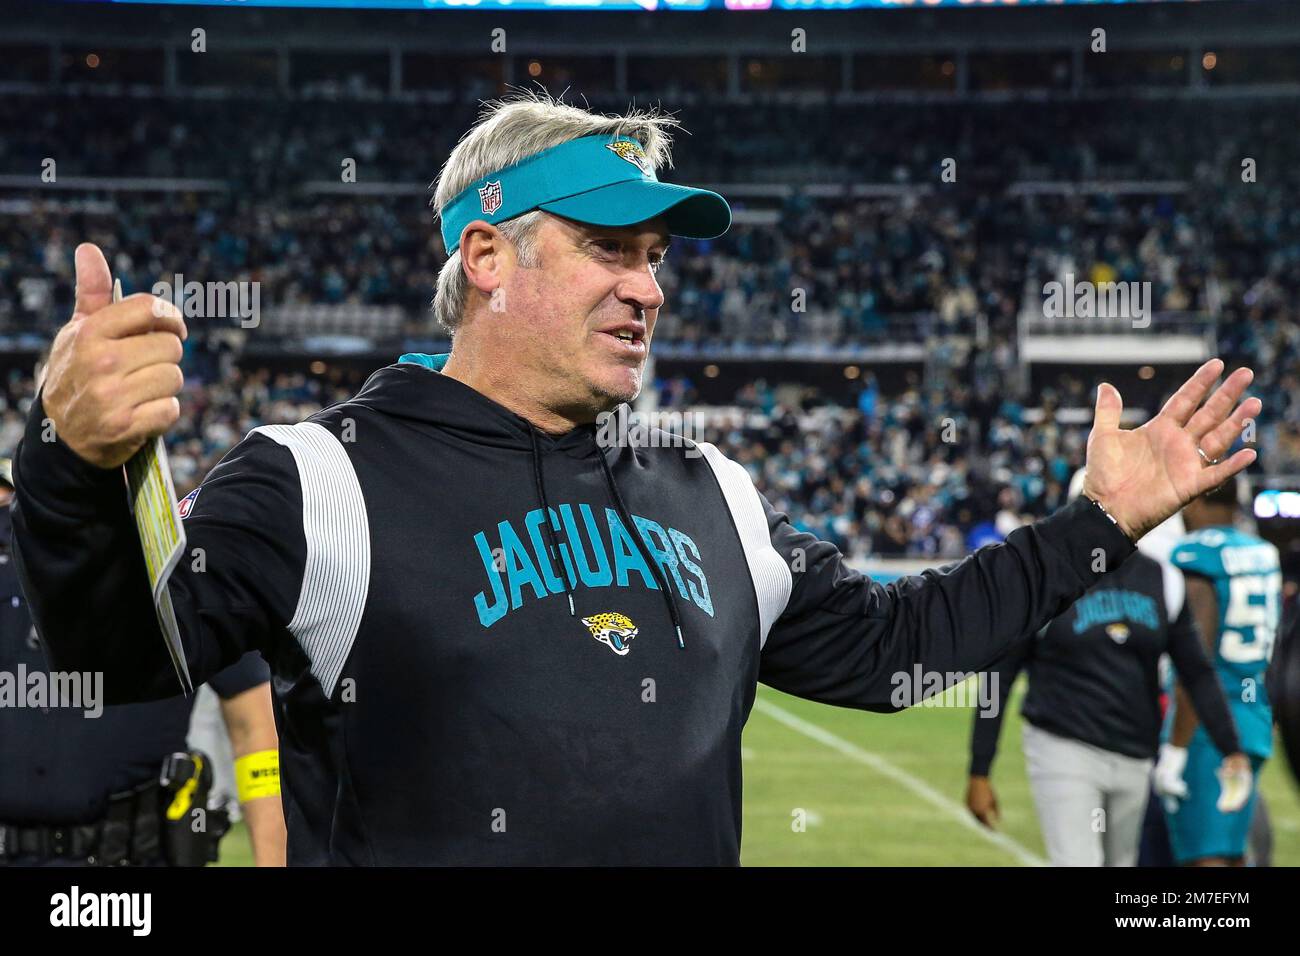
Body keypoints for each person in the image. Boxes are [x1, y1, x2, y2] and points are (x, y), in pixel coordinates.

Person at [11, 93, 1260, 865]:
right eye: (610, 247)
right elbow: (129, 663)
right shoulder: (317, 476)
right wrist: (71, 463)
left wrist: (1096, 524)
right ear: (488, 256)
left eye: (657, 255)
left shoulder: (707, 484)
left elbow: (900, 649)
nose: (651, 287)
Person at [0, 459, 287, 866]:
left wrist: (273, 860)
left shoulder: (182, 561)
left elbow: (255, 727)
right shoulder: (15, 547)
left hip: (131, 862)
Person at [966, 472, 1245, 866]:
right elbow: (1001, 677)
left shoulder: (1163, 579)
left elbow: (1196, 672)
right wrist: (980, 768)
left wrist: (1231, 747)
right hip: (1062, 745)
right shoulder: (1048, 578)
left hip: (1134, 753)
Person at [1156, 476, 1281, 866]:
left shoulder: (1196, 555)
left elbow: (1196, 665)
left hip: (1209, 728)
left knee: (1205, 854)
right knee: (1232, 849)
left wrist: (1175, 749)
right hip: (1253, 718)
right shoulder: (1262, 552)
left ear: (1192, 500)